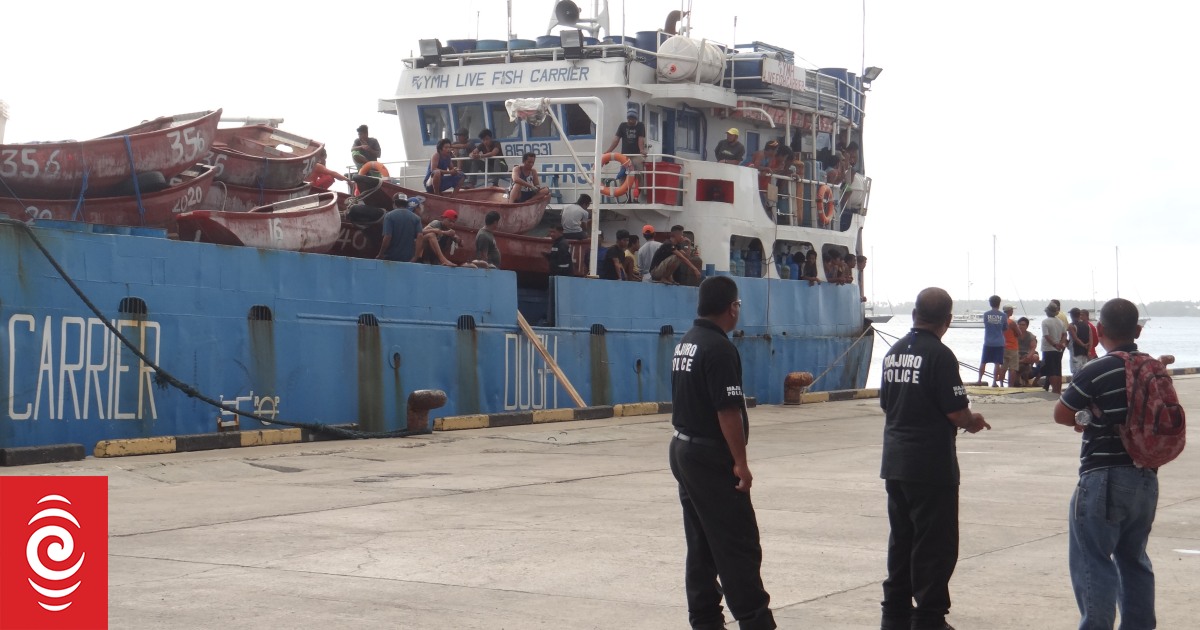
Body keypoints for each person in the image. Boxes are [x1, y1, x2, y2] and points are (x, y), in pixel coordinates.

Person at [668, 275, 776, 630]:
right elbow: (727, 410)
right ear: (732, 308)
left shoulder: (687, 342)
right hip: (709, 457)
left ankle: (704, 618)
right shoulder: (718, 348)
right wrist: (741, 464)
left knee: (701, 541)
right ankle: (755, 620)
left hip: (683, 449)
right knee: (738, 543)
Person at [879, 287, 990, 630]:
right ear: (948, 320)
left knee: (902, 540)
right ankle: (928, 618)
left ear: (914, 314)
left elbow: (886, 403)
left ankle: (894, 616)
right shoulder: (940, 356)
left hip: (895, 463)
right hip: (930, 466)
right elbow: (957, 412)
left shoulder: (893, 353)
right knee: (935, 546)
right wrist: (974, 422)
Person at [1053, 297, 1163, 630]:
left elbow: (1061, 414)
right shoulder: (1153, 368)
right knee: (1135, 560)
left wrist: (1086, 417)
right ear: (1138, 330)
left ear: (1099, 331)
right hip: (1146, 478)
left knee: (1093, 561)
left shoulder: (1097, 369)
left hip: (1103, 477)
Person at [375, 193, 422, 263]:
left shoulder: (389, 216)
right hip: (408, 259)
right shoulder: (416, 218)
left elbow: (387, 236)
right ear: (406, 203)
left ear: (394, 203)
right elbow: (420, 236)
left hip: (391, 258)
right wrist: (415, 257)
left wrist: (380, 254)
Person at [978, 295, 1007, 387]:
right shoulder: (1003, 315)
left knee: (983, 362)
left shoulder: (986, 314)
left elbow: (986, 325)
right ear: (999, 303)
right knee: (997, 363)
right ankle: (994, 382)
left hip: (988, 342)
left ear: (990, 303)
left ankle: (979, 380)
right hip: (999, 342)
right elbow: (1005, 328)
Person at [1041, 303, 1068, 393]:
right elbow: (1065, 334)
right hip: (1058, 349)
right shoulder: (1060, 322)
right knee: (1057, 370)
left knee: (1051, 371)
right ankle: (1058, 390)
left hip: (1048, 348)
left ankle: (1054, 390)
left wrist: (1054, 344)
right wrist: (1060, 343)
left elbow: (1046, 336)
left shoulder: (1045, 322)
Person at [1001, 305, 1022, 387]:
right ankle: (1010, 385)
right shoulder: (1011, 322)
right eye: (1012, 310)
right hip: (1012, 346)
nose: (1013, 311)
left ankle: (1001, 384)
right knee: (1013, 367)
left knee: (1003, 366)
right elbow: (1019, 333)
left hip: (1002, 346)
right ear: (1009, 311)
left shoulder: (1000, 321)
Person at [1067, 307, 1092, 375]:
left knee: (1076, 372)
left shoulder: (1071, 326)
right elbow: (1091, 339)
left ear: (1071, 315)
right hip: (1084, 352)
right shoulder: (1087, 326)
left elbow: (1075, 338)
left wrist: (1083, 345)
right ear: (1079, 315)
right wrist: (1088, 350)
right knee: (1084, 371)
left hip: (1075, 352)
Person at [1016, 317, 1040, 386]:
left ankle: (1033, 380)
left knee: (1036, 357)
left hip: (1026, 354)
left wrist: (1029, 356)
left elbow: (1033, 347)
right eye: (1019, 324)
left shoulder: (1030, 336)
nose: (1021, 326)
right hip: (1016, 354)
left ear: (1027, 326)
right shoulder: (1015, 334)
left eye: (1023, 325)